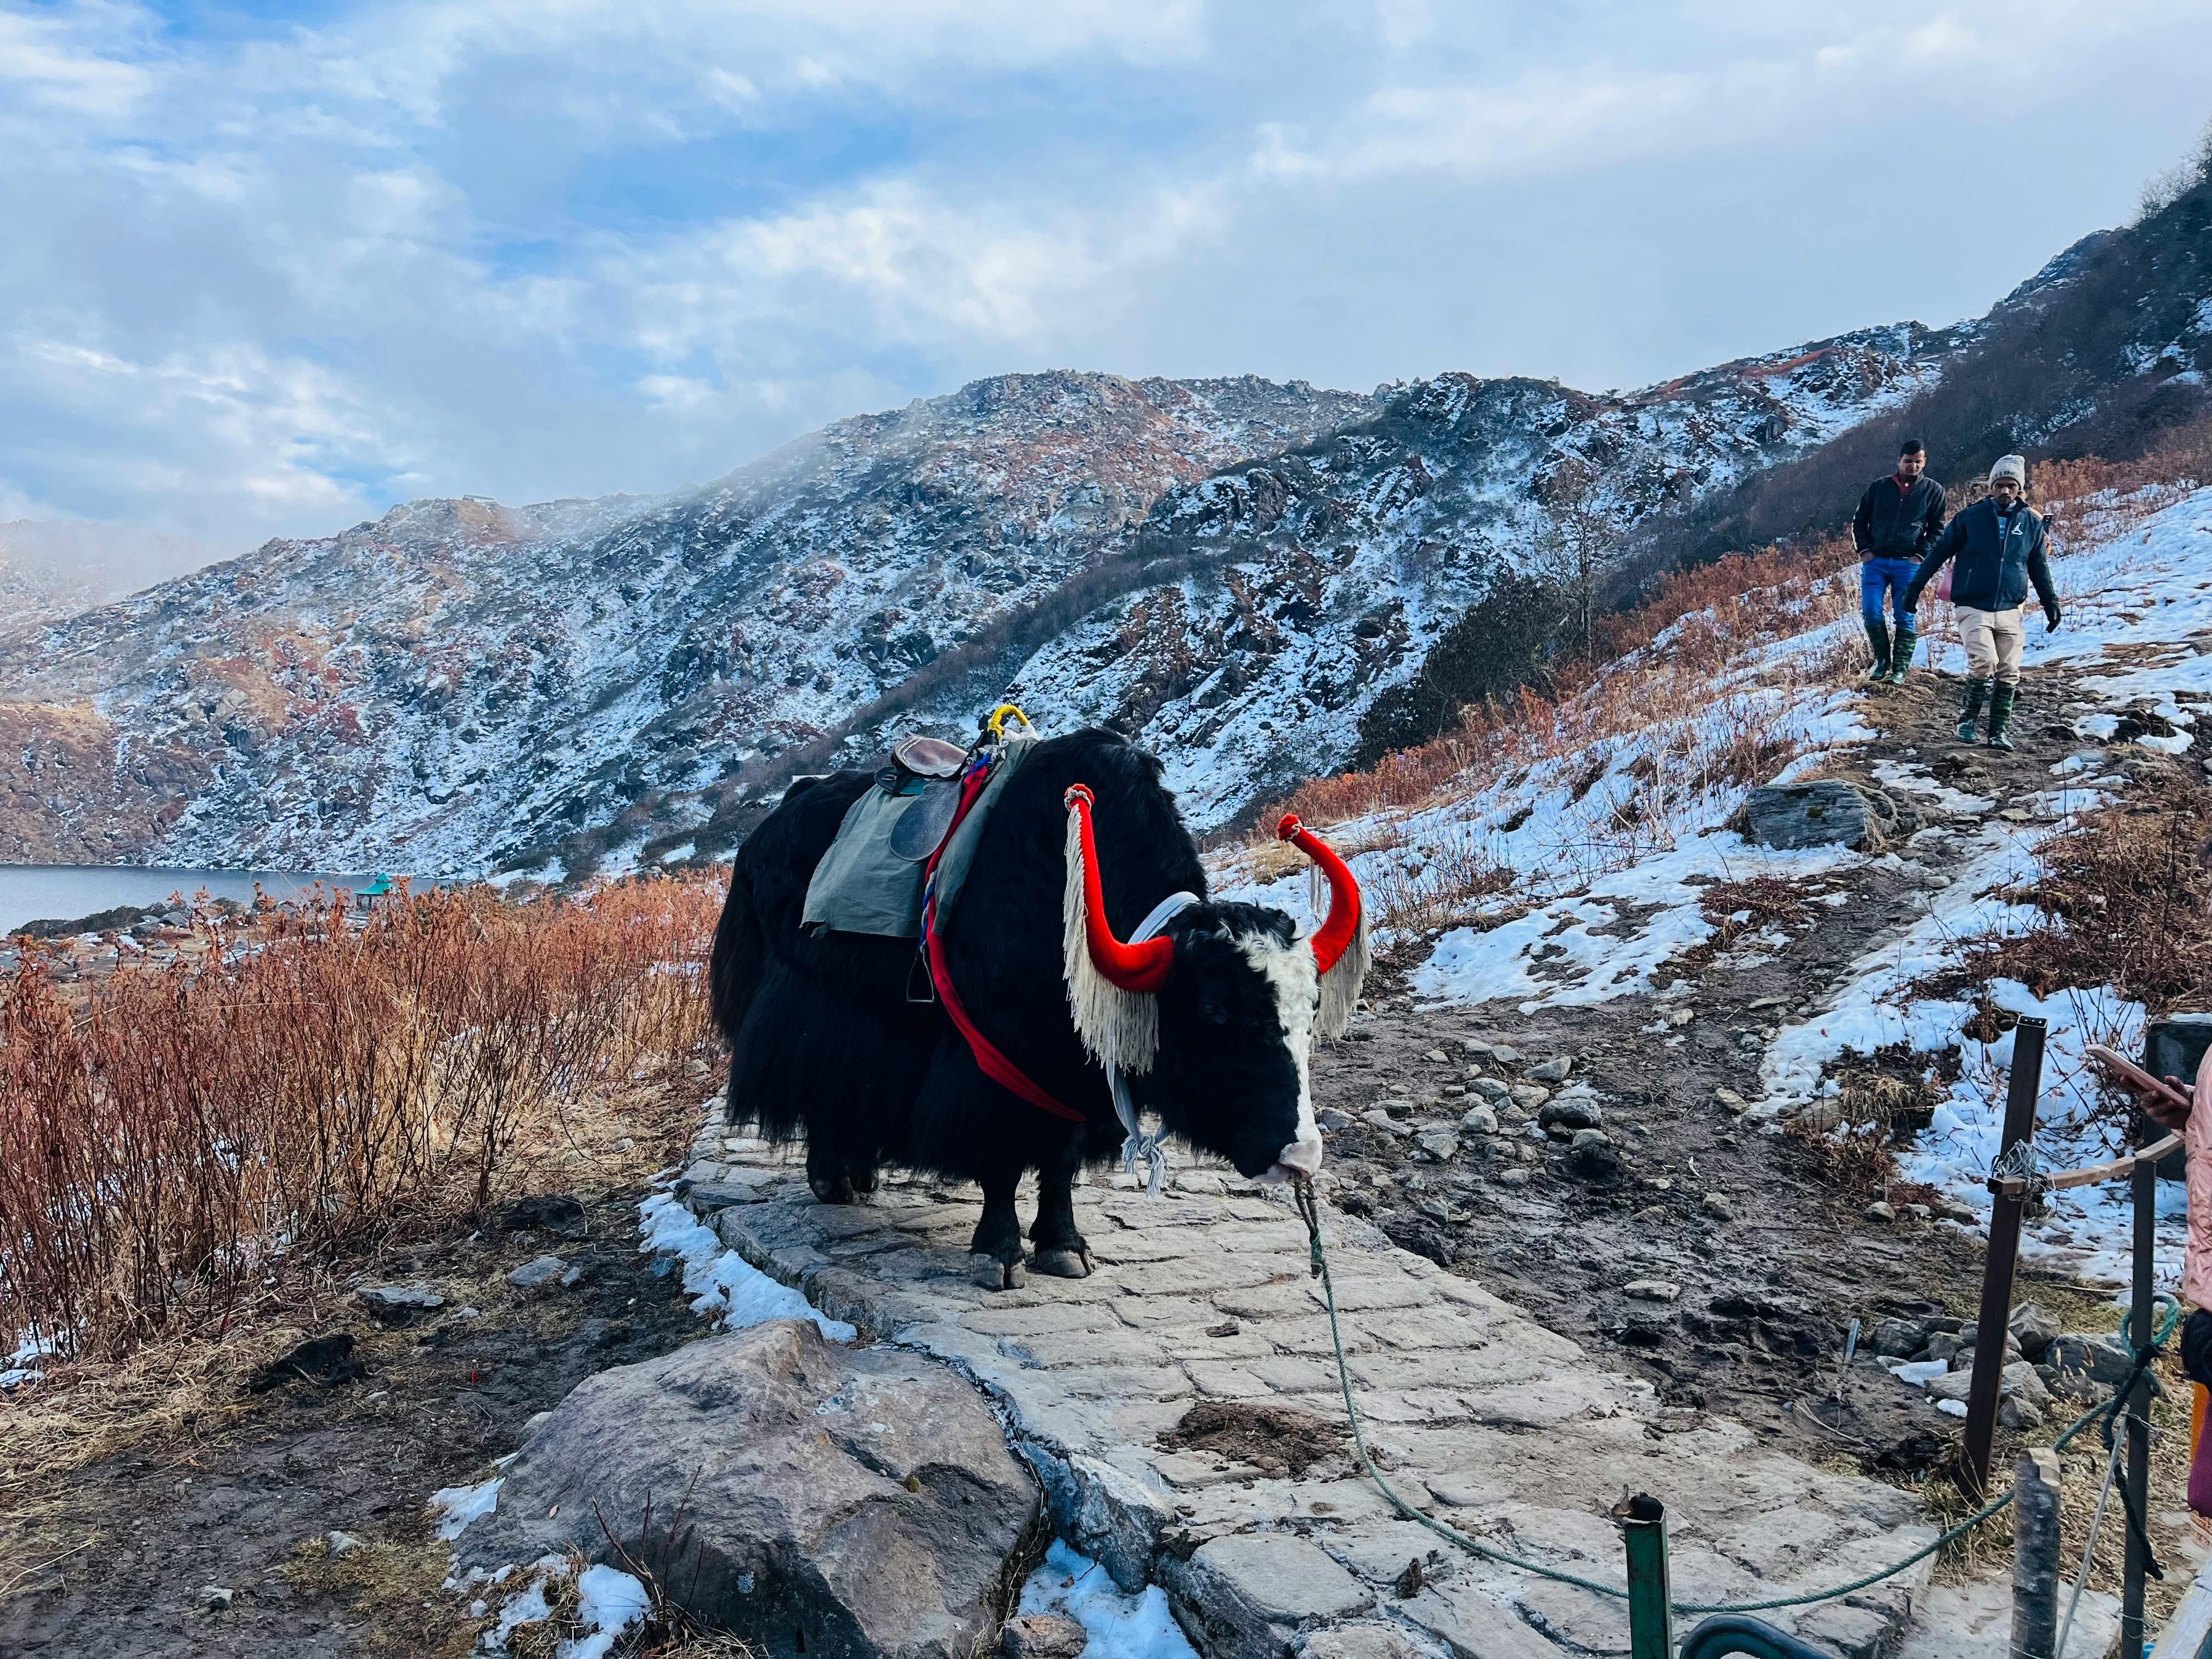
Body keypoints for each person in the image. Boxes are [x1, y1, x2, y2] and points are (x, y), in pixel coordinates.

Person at [1903, 454, 2061, 752]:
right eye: (2000, 485)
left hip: (2010, 607)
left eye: (2011, 486)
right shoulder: (1969, 518)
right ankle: (1967, 722)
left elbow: (2039, 565)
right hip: (1973, 604)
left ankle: (1998, 732)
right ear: (1991, 486)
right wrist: (1914, 588)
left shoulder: (2030, 523)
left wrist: (2050, 602)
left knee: (2009, 669)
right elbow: (1938, 553)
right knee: (1984, 661)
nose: (2005, 491)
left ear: (2020, 488)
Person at [1853, 439, 1946, 684]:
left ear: (1925, 462)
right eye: (1908, 461)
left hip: (1908, 564)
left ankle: (1900, 669)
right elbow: (1860, 520)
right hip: (1876, 561)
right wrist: (1864, 550)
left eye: (1918, 461)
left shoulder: (1934, 491)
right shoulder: (1879, 487)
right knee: (1871, 611)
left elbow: (1938, 528)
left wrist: (1920, 555)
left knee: (1904, 614)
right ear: (1899, 461)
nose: (1913, 466)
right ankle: (1882, 661)